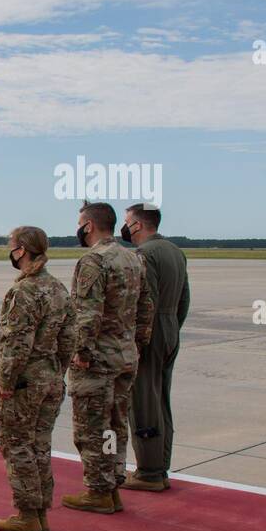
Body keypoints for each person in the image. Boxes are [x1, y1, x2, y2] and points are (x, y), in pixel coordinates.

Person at [62, 202, 153, 514]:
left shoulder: (93, 261)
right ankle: (113, 483)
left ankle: (99, 491)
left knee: (91, 427)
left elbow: (87, 315)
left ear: (88, 226)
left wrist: (80, 354)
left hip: (99, 360)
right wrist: (138, 343)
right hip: (126, 355)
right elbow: (146, 307)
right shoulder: (134, 258)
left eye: (80, 224)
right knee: (116, 423)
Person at [0, 227, 76, 531]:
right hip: (51, 376)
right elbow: (69, 337)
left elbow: (17, 344)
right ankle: (40, 511)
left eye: (12, 246)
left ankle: (27, 513)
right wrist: (58, 369)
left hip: (26, 380)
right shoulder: (57, 288)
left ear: (22, 250)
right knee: (40, 444)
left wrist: (6, 382)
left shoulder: (23, 291)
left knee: (17, 445)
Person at [121, 203, 189, 492]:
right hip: (171, 325)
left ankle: (149, 472)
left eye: (127, 222)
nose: (124, 227)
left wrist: (137, 342)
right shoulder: (175, 251)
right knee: (161, 398)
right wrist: (172, 327)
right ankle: (161, 466)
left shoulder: (144, 255)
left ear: (137, 225)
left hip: (151, 332)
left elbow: (143, 303)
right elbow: (185, 298)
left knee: (143, 400)